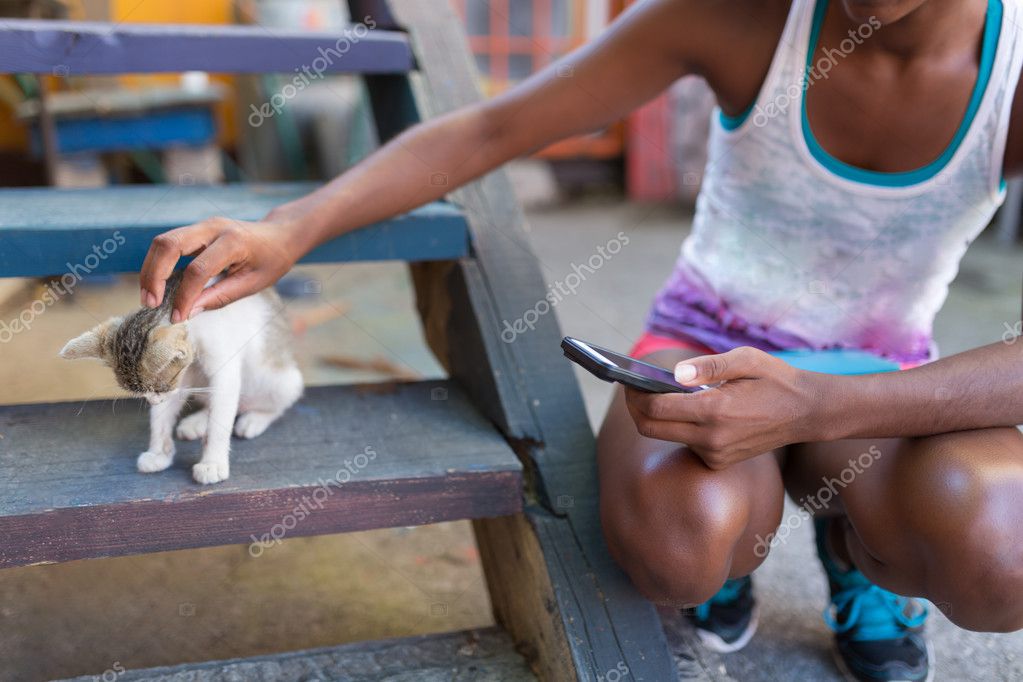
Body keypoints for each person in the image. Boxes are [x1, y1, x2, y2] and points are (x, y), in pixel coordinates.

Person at [138, 1, 1023, 680]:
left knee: (1003, 548)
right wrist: (291, 226)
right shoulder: (746, 18)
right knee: (682, 543)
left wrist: (824, 407)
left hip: (875, 381)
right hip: (705, 349)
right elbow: (494, 127)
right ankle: (738, 548)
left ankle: (858, 542)